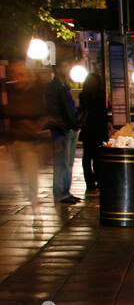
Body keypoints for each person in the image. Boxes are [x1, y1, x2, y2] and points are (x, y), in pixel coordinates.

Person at [3, 61, 49, 208]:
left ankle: (34, 200)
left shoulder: (36, 92)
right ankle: (31, 197)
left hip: (30, 141)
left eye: (21, 74)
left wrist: (36, 127)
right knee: (22, 173)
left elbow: (44, 113)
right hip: (16, 140)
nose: (18, 78)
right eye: (15, 74)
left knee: (30, 172)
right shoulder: (10, 92)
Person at [46, 59, 80, 203]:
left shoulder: (63, 86)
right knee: (62, 162)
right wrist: (66, 125)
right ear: (57, 68)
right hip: (62, 130)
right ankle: (61, 192)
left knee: (67, 162)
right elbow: (56, 109)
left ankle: (65, 190)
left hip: (68, 128)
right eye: (65, 66)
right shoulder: (55, 87)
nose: (67, 69)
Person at [77, 71, 109, 197]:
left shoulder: (83, 95)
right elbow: (106, 112)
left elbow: (82, 111)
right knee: (97, 157)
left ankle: (90, 183)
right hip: (99, 129)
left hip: (88, 129)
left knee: (87, 157)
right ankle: (99, 181)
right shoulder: (101, 96)